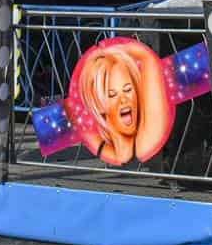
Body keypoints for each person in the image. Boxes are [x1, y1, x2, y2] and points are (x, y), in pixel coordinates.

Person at [69, 37, 172, 166]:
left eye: (128, 89)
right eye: (112, 95)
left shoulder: (149, 136)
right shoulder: (95, 140)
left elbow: (148, 60)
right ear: (99, 104)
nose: (123, 100)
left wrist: (109, 50)